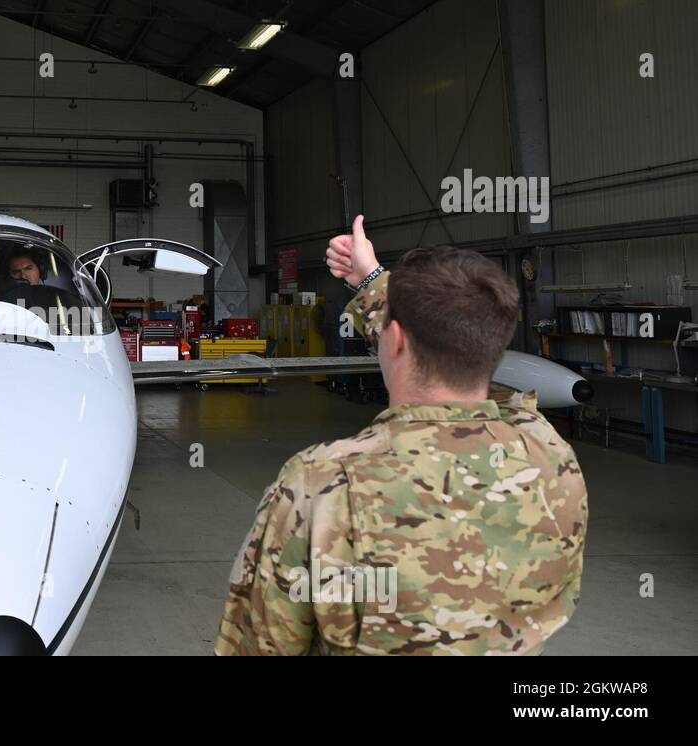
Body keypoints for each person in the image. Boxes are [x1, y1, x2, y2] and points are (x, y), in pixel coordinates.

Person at [215, 215, 588, 656]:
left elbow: (264, 645)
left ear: (392, 340)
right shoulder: (548, 454)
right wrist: (370, 278)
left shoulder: (322, 483)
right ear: (495, 342)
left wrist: (375, 284)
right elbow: (445, 339)